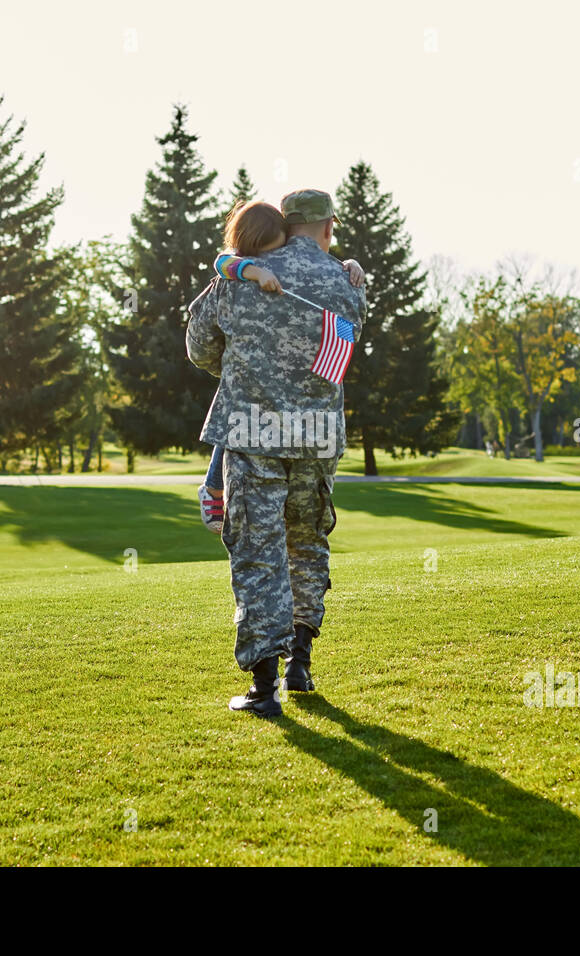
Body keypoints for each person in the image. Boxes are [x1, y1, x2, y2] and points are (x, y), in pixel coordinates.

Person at [186, 189, 366, 716]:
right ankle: (301, 662)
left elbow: (199, 348)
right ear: (328, 228)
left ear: (283, 225)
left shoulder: (241, 274)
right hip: (317, 435)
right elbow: (350, 341)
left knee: (259, 551)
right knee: (306, 542)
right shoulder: (348, 281)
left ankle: (265, 687)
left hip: (252, 430)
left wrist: (244, 363)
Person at [194, 200, 363, 534]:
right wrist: (254, 270)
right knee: (304, 541)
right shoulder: (239, 267)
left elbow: (200, 350)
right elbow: (223, 261)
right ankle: (212, 487)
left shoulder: (258, 269)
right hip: (298, 421)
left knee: (234, 403)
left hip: (258, 409)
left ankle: (214, 486)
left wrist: (351, 263)